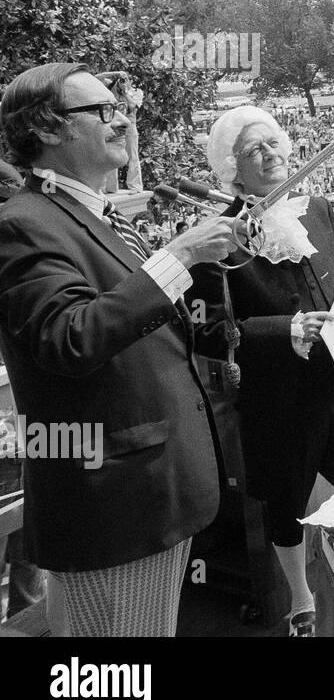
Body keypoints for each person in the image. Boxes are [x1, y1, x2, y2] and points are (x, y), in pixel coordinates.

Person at [0, 62, 238, 636]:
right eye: (102, 110)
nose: (122, 120)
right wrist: (178, 256)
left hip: (152, 495)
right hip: (113, 507)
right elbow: (71, 337)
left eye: (120, 107)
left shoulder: (88, 215)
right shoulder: (21, 223)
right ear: (49, 128)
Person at [187, 105, 334, 637]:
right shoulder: (215, 234)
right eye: (252, 151)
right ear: (231, 166)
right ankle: (300, 599)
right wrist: (280, 332)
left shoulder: (317, 208)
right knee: (285, 503)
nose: (269, 156)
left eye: (273, 143)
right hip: (275, 397)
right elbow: (206, 329)